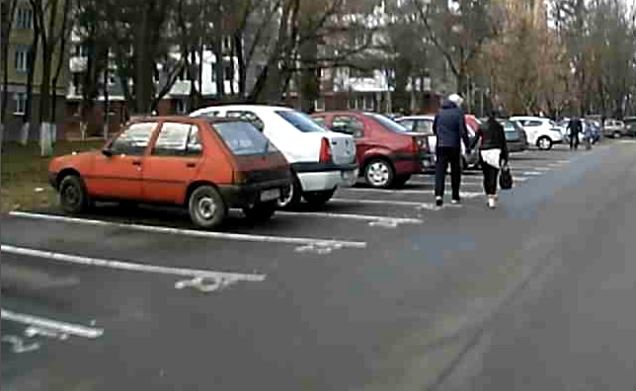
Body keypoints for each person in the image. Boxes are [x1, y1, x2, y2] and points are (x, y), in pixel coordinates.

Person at [432, 93, 471, 207]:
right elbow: (463, 131)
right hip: (454, 145)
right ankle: (455, 196)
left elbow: (434, 128)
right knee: (455, 171)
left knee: (440, 171)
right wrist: (467, 145)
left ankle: (439, 195)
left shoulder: (440, 112)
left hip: (441, 145)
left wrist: (440, 135)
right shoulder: (458, 113)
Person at [470, 111, 508, 209]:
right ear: (495, 116)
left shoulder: (482, 126)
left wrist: (469, 148)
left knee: (486, 175)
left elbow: (475, 139)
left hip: (484, 152)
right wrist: (505, 157)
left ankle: (488, 194)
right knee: (493, 175)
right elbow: (503, 143)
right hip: (496, 151)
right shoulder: (499, 127)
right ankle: (492, 195)